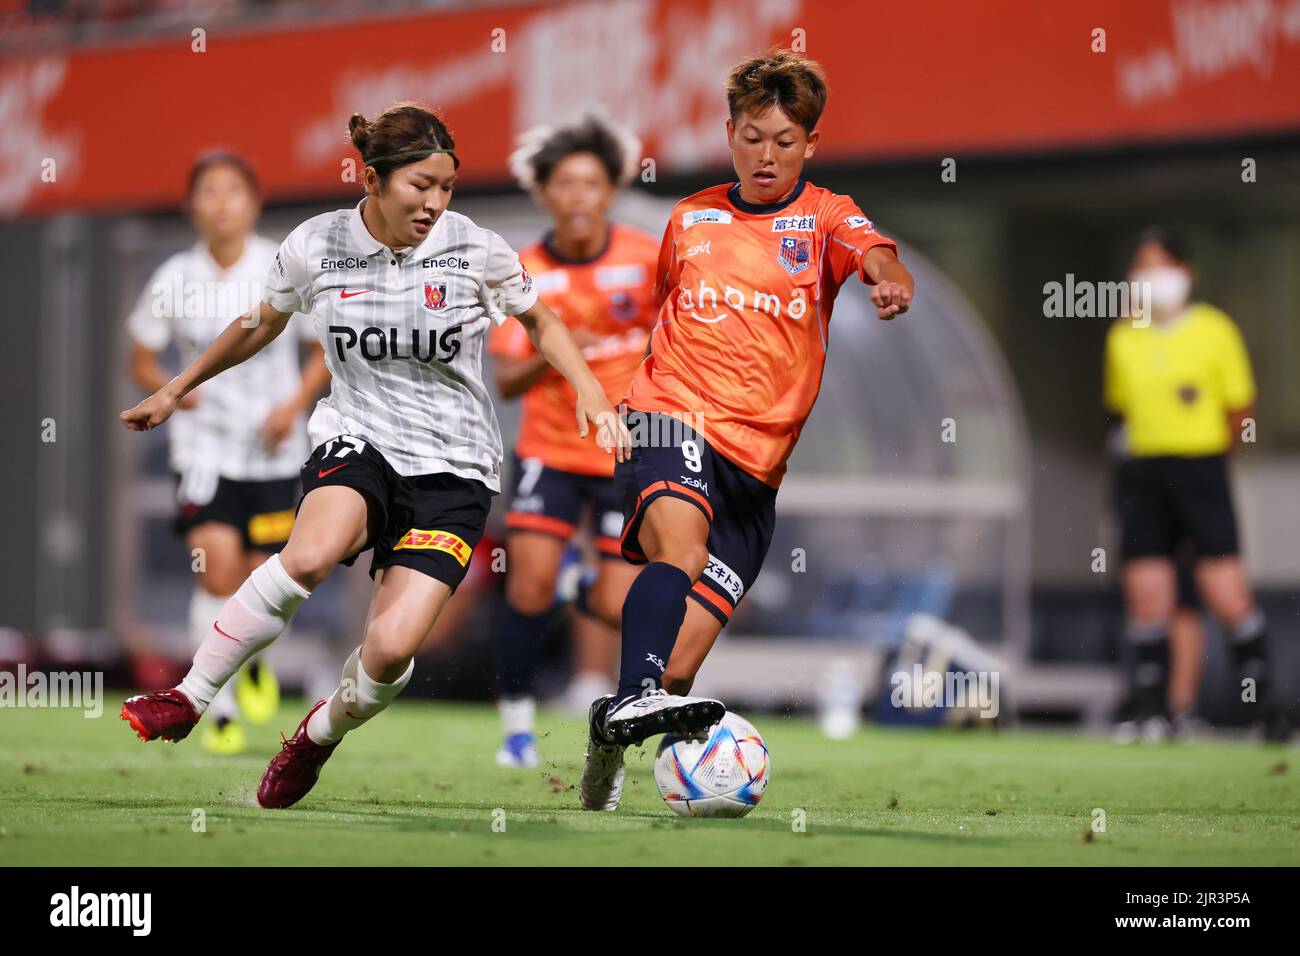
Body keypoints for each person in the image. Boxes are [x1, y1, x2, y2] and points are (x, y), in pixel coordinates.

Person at [119, 102, 628, 809]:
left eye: (446, 186)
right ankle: (192, 694)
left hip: (454, 470)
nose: (435, 202)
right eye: (420, 184)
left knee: (389, 652)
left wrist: (591, 393)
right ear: (372, 180)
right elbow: (259, 323)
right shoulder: (316, 244)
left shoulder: (473, 247)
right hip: (358, 438)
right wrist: (176, 387)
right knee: (308, 553)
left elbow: (540, 321)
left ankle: (316, 735)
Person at [579, 50, 915, 811]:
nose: (767, 155)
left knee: (679, 670)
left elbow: (878, 255)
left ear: (810, 145)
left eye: (785, 141)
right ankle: (633, 695)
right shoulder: (689, 219)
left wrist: (891, 282)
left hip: (757, 469)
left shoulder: (826, 216)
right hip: (670, 413)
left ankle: (611, 726)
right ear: (730, 133)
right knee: (680, 551)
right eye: (753, 137)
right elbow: (666, 311)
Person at [125, 150, 330, 755]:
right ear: (191, 205)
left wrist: (294, 405)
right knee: (215, 570)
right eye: (208, 191)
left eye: (232, 190)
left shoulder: (279, 264)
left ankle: (253, 660)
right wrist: (172, 390)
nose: (220, 204)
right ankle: (220, 707)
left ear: (254, 201)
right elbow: (142, 355)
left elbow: (321, 349)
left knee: (266, 581)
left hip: (272, 451)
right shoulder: (174, 277)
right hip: (205, 451)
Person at [488, 114, 658, 767]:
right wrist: (558, 350)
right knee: (524, 590)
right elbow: (507, 381)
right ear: (544, 193)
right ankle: (517, 732)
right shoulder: (524, 269)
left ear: (611, 189)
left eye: (591, 183)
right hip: (550, 449)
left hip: (625, 451)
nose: (579, 196)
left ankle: (575, 582)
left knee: (617, 604)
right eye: (565, 183)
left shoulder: (646, 259)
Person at [1106, 227, 1287, 742]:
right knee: (1148, 595)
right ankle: (1150, 712)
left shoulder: (1215, 330)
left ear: (1186, 273)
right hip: (1143, 474)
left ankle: (1264, 710)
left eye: (1160, 266)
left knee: (1225, 592)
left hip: (1201, 471)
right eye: (1141, 266)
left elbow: (1240, 409)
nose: (1149, 277)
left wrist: (1212, 458)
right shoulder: (1124, 336)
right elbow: (1118, 413)